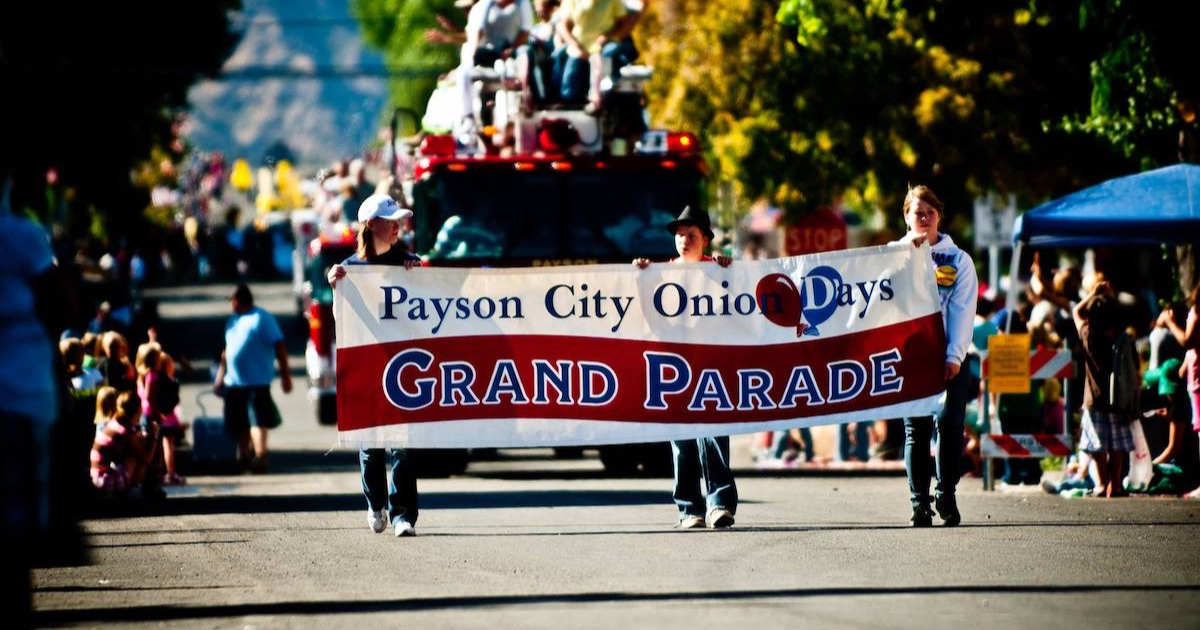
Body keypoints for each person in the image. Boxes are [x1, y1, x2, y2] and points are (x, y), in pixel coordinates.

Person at [634, 206, 738, 529]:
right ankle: (688, 508)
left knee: (714, 436)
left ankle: (719, 503)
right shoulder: (661, 273)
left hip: (711, 366)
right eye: (680, 235)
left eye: (691, 235)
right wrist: (642, 279)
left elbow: (740, 307)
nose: (683, 240)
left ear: (705, 240)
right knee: (682, 440)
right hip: (675, 367)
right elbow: (645, 315)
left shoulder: (719, 271)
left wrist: (730, 274)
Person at [328, 194, 423, 537]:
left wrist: (421, 276)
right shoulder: (349, 270)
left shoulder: (411, 263)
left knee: (404, 446)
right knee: (371, 449)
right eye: (390, 220)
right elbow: (344, 320)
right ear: (371, 225)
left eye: (399, 219)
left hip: (404, 370)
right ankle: (376, 503)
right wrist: (337, 285)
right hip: (368, 370)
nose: (398, 225)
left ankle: (403, 516)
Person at [892, 185, 977, 527]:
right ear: (906, 217)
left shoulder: (959, 260)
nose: (923, 218)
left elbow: (962, 309)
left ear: (939, 215)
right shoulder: (892, 257)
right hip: (911, 359)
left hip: (949, 359)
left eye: (929, 212)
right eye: (917, 212)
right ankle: (919, 503)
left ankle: (946, 494)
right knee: (916, 430)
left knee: (950, 426)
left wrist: (954, 356)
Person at [213, 283, 292, 473]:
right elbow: (227, 353)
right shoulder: (232, 320)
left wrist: (285, 375)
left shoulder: (262, 318)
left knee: (258, 420)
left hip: (257, 381)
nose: (231, 304)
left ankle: (260, 455)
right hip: (234, 382)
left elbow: (280, 347)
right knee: (238, 423)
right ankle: (244, 456)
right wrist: (220, 377)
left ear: (239, 299)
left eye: (232, 300)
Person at [1072, 281, 1135, 498]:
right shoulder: (1122, 337)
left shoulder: (1088, 333)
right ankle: (1116, 484)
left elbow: (1076, 311)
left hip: (1094, 398)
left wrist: (1093, 294)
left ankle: (1101, 483)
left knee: (1098, 445)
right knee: (1116, 445)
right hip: (1119, 398)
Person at [555, 0, 636, 106]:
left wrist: (608, 36)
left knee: (606, 61)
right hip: (580, 48)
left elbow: (624, 24)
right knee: (569, 91)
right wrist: (576, 46)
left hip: (605, 47)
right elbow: (563, 26)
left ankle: (599, 97)